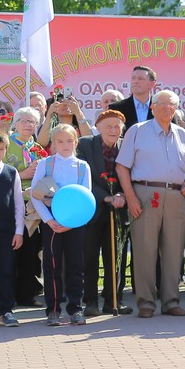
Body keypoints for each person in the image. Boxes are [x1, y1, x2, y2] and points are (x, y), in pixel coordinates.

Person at [114, 89, 185, 318]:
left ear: (176, 108)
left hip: (176, 196)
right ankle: (146, 303)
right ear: (152, 107)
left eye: (171, 104)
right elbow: (122, 167)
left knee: (174, 251)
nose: (167, 108)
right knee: (144, 249)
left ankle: (171, 301)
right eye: (162, 103)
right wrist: (131, 197)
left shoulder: (183, 134)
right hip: (145, 193)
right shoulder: (137, 131)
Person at [30, 124, 93, 325]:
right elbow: (35, 195)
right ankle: (53, 309)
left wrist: (72, 223)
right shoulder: (45, 164)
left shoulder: (82, 166)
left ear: (76, 142)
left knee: (75, 265)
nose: (65, 145)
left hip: (75, 223)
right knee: (52, 266)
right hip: (52, 222)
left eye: (69, 141)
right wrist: (49, 220)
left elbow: (86, 198)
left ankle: (76, 308)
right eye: (60, 141)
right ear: (53, 144)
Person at [77, 110, 129, 316]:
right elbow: (83, 174)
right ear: (98, 127)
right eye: (109, 126)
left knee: (116, 257)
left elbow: (133, 173)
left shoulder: (126, 146)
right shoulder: (85, 144)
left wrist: (122, 194)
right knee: (89, 257)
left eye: (117, 127)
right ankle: (90, 301)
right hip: (93, 209)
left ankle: (113, 300)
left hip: (119, 209)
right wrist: (106, 197)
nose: (113, 130)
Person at [4, 106, 46, 306]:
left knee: (31, 250)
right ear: (16, 123)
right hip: (9, 203)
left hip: (33, 205)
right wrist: (22, 175)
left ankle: (26, 294)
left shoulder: (36, 147)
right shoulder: (5, 143)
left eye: (33, 122)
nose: (29, 125)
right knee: (10, 249)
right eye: (24, 120)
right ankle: (7, 295)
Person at [0, 129, 23, 327]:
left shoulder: (11, 172)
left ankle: (6, 311)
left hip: (7, 231)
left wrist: (19, 231)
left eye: (1, 149)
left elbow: (18, 203)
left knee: (6, 270)